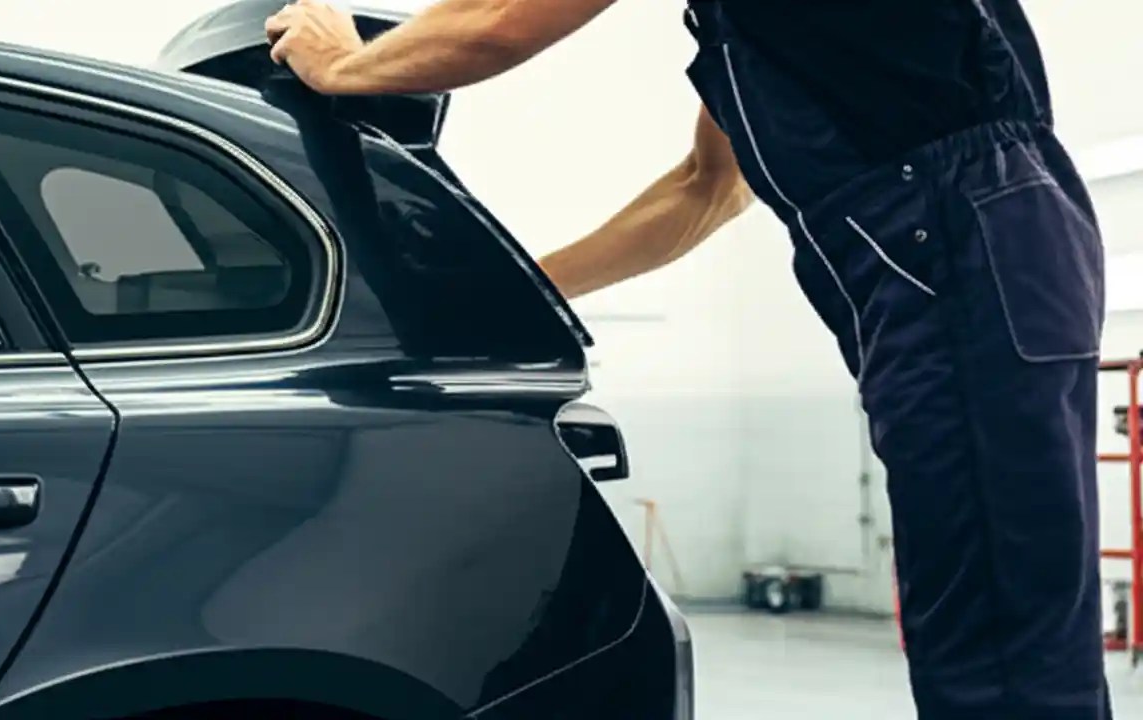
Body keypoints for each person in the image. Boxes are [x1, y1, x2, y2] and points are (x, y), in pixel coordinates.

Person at [264, 1, 1112, 717]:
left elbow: (497, 20)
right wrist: (515, 291)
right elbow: (703, 190)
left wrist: (345, 66)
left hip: (957, 239)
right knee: (1000, 612)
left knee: (999, 642)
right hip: (970, 240)